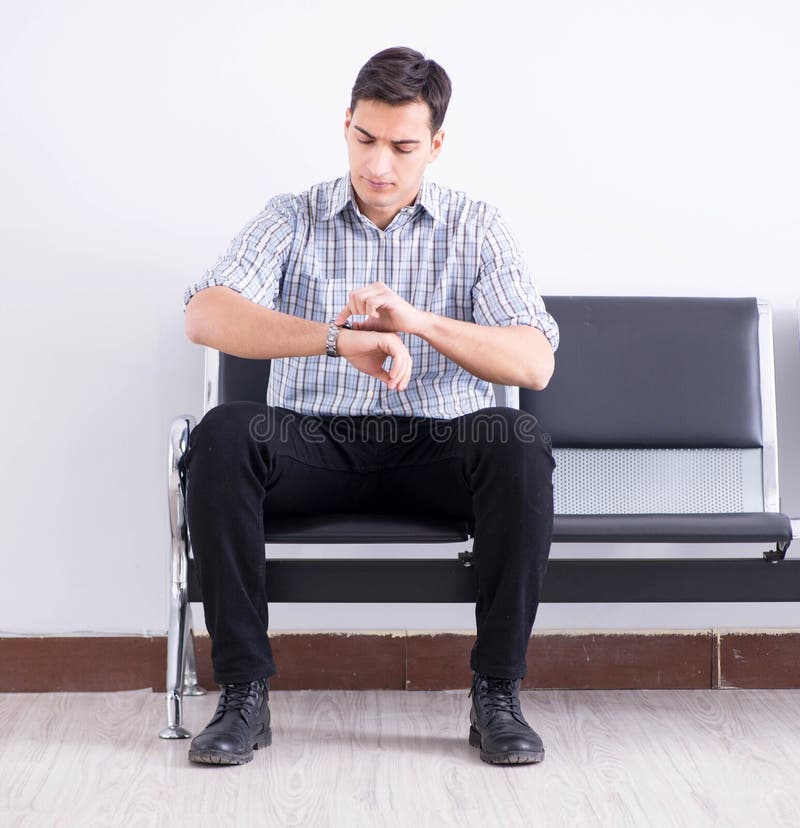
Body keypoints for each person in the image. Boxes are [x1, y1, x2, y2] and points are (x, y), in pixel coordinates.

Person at [182, 46, 559, 767]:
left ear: (436, 145)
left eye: (402, 146)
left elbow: (533, 361)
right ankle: (242, 695)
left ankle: (498, 694)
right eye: (365, 139)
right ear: (346, 124)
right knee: (224, 433)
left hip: (436, 448)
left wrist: (413, 322)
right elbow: (205, 312)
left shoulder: (476, 226)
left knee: (516, 437)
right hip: (309, 445)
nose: (379, 164)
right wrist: (334, 341)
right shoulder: (293, 218)